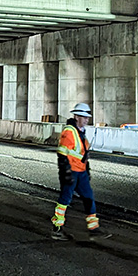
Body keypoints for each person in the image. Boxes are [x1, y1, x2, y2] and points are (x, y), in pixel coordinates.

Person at [51, 103, 110, 240]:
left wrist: (86, 170)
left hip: (81, 172)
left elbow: (83, 155)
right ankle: (57, 228)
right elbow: (62, 153)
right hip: (71, 171)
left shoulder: (80, 133)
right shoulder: (69, 131)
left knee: (89, 198)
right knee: (65, 199)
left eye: (87, 117)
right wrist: (66, 171)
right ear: (76, 116)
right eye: (84, 117)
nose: (86, 120)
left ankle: (93, 228)